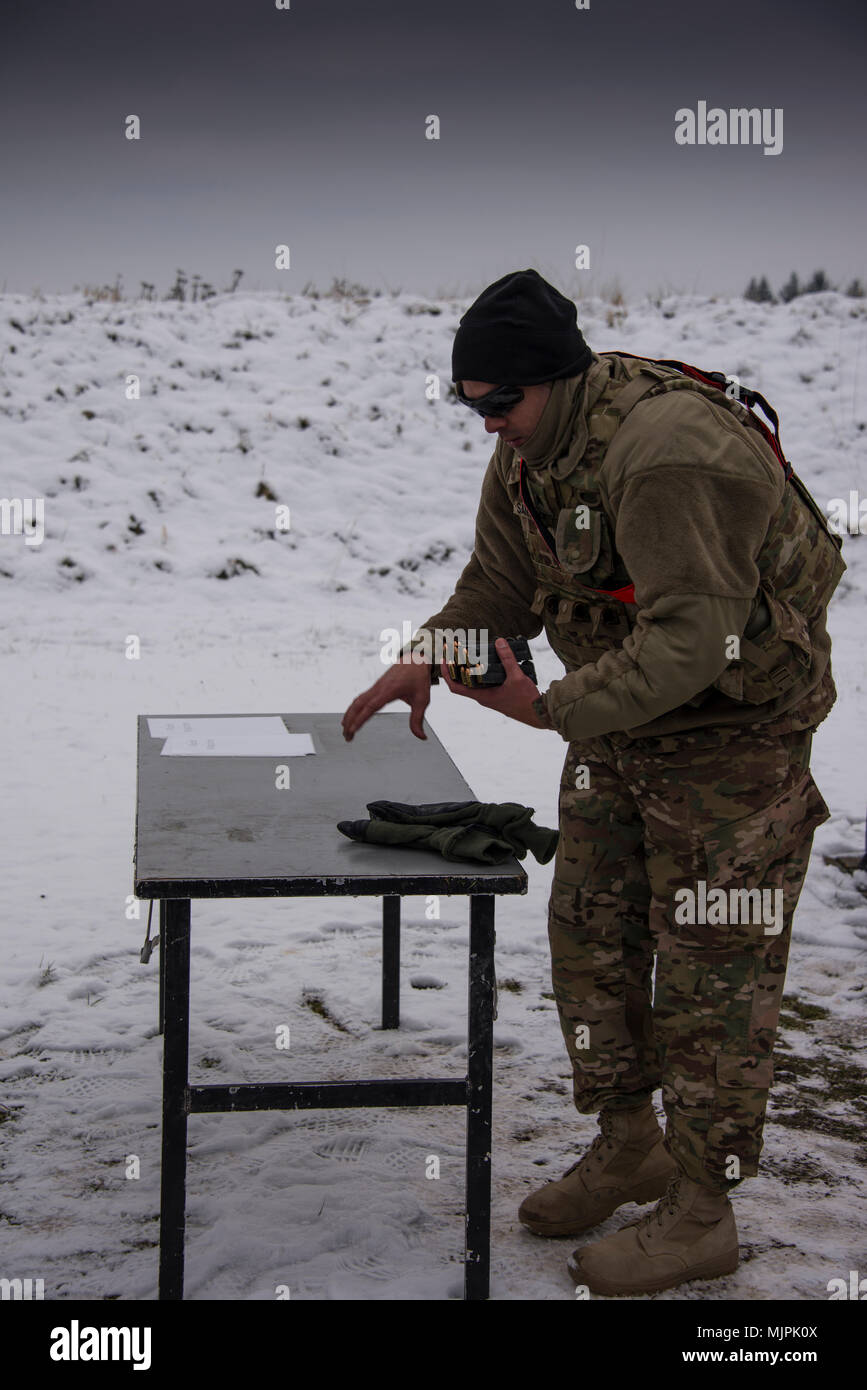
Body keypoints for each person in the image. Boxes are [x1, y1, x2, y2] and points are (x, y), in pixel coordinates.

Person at [341, 268, 844, 1296]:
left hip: (731, 740)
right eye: (468, 405)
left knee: (712, 973)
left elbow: (692, 640)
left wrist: (543, 710)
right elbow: (499, 584)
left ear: (555, 379)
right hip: (623, 730)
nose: (487, 426)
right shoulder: (529, 455)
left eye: (500, 403)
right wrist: (430, 653)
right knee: (590, 938)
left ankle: (703, 1210)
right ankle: (630, 1144)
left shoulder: (666, 452)